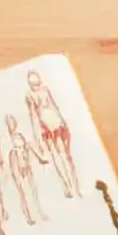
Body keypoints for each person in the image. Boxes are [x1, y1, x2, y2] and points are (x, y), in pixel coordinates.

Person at [25, 70, 80, 198]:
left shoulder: (45, 90)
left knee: (64, 155)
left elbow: (53, 106)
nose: (37, 87)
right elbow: (33, 116)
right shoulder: (30, 96)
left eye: (37, 83)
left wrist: (62, 120)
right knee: (58, 156)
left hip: (54, 121)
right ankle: (68, 186)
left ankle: (73, 186)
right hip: (46, 125)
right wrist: (38, 135)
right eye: (34, 84)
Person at [5, 113, 49, 226]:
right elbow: (12, 153)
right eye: (9, 123)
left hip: (25, 164)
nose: (11, 125)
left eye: (12, 122)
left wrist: (36, 157)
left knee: (33, 191)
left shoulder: (20, 135)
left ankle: (40, 211)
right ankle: (29, 216)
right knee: (22, 192)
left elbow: (26, 146)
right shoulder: (8, 139)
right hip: (16, 163)